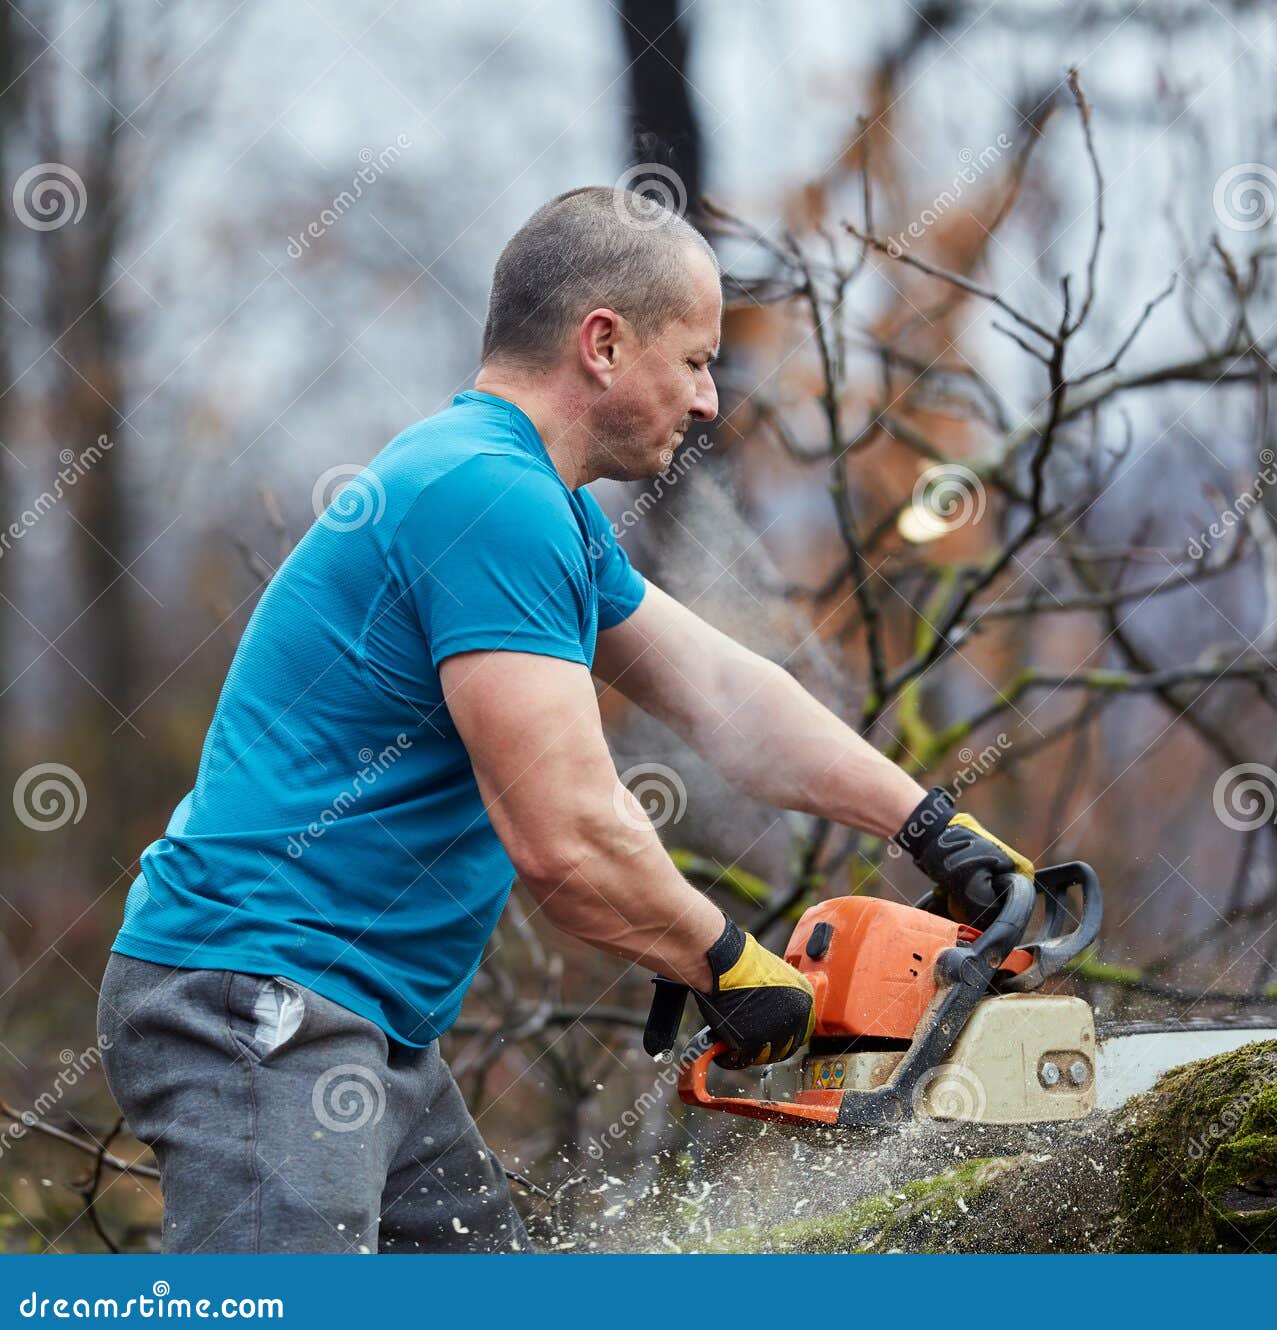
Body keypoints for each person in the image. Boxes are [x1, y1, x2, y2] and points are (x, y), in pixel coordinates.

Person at [96, 186, 1030, 1253]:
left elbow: (727, 696)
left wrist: (928, 825)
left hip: (365, 1017)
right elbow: (567, 842)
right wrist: (725, 961)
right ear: (602, 344)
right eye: (694, 361)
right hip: (264, 998)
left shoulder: (534, 505)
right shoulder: (487, 500)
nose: (710, 401)